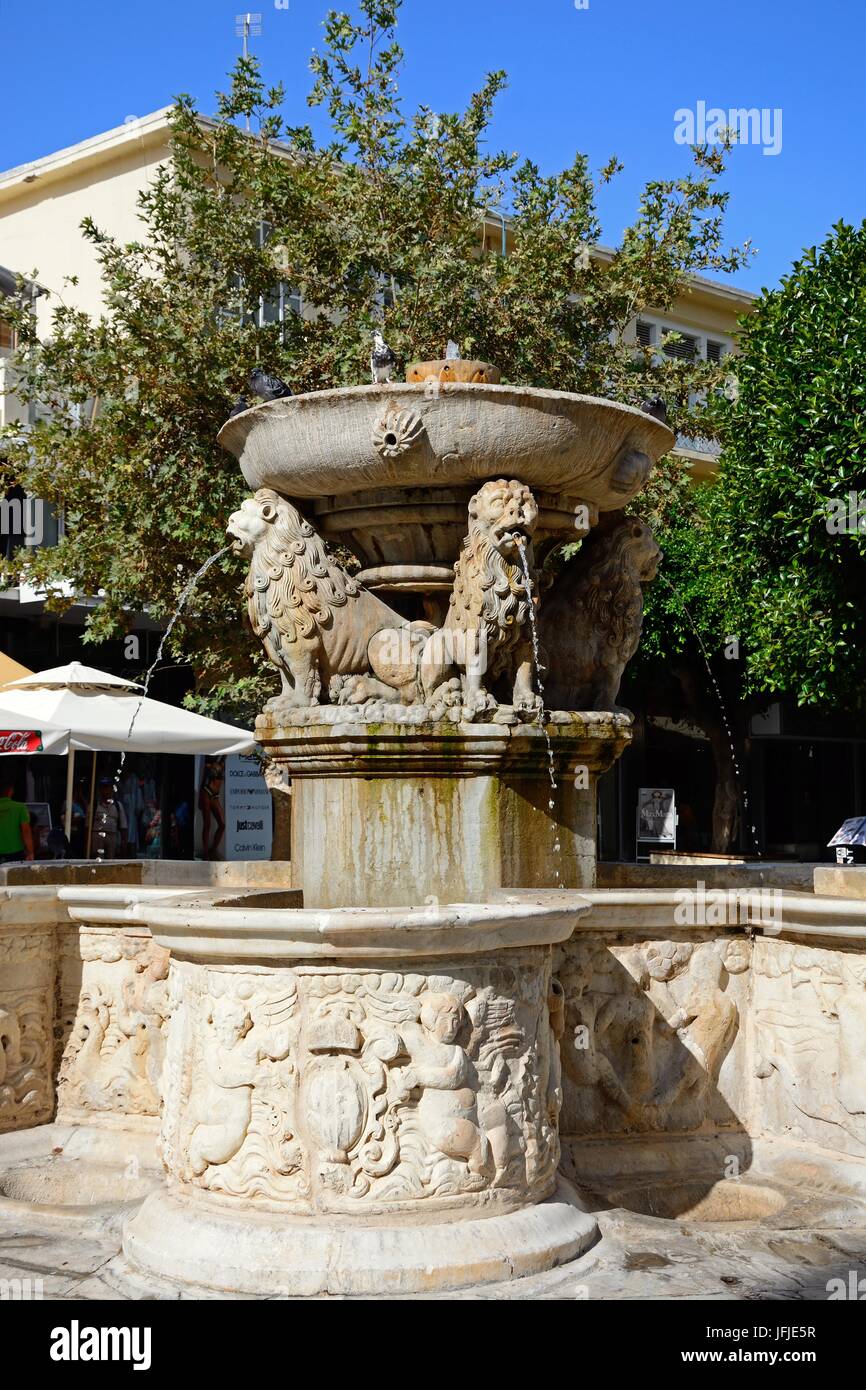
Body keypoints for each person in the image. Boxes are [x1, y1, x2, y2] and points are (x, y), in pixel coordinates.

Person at [0, 779, 34, 864]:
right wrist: (30, 852)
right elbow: (26, 831)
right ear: (10, 791)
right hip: (15, 853)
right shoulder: (20, 808)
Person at [93, 778, 128, 859]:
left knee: (110, 861)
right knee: (98, 861)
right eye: (103, 787)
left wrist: (124, 843)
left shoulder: (118, 806)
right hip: (98, 836)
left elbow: (123, 826)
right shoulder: (95, 805)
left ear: (111, 789)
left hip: (112, 836)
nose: (105, 790)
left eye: (107, 787)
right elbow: (88, 825)